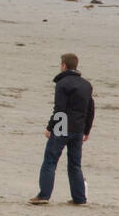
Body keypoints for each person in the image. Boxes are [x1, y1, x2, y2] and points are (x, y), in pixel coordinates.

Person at [30, 53, 94, 205]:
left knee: (50, 161)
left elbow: (59, 108)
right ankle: (79, 198)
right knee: (75, 164)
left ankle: (44, 195)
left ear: (64, 66)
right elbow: (90, 109)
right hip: (78, 128)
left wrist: (50, 127)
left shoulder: (62, 83)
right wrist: (87, 130)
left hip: (62, 125)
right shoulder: (86, 85)